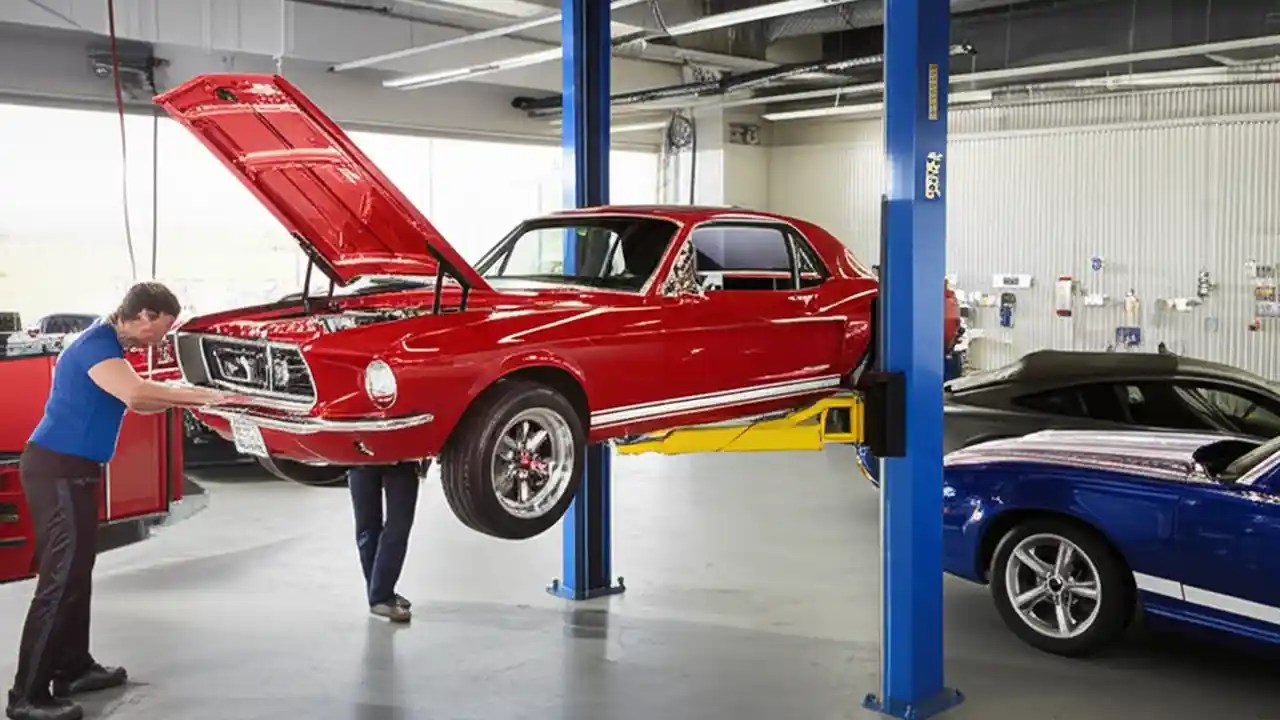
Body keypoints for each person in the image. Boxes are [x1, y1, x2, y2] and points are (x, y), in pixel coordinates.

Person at [7, 282, 232, 720]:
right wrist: (204, 395)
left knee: (77, 573)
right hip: (58, 470)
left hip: (72, 470)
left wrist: (188, 399)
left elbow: (141, 403)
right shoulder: (97, 345)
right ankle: (26, 696)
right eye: (162, 328)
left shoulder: (110, 345)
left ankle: (73, 669)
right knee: (61, 580)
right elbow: (137, 394)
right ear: (144, 315)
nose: (161, 339)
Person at [348, 460, 427, 623]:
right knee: (377, 526)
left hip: (397, 457)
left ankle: (380, 593)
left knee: (391, 525)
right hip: (363, 456)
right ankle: (381, 596)